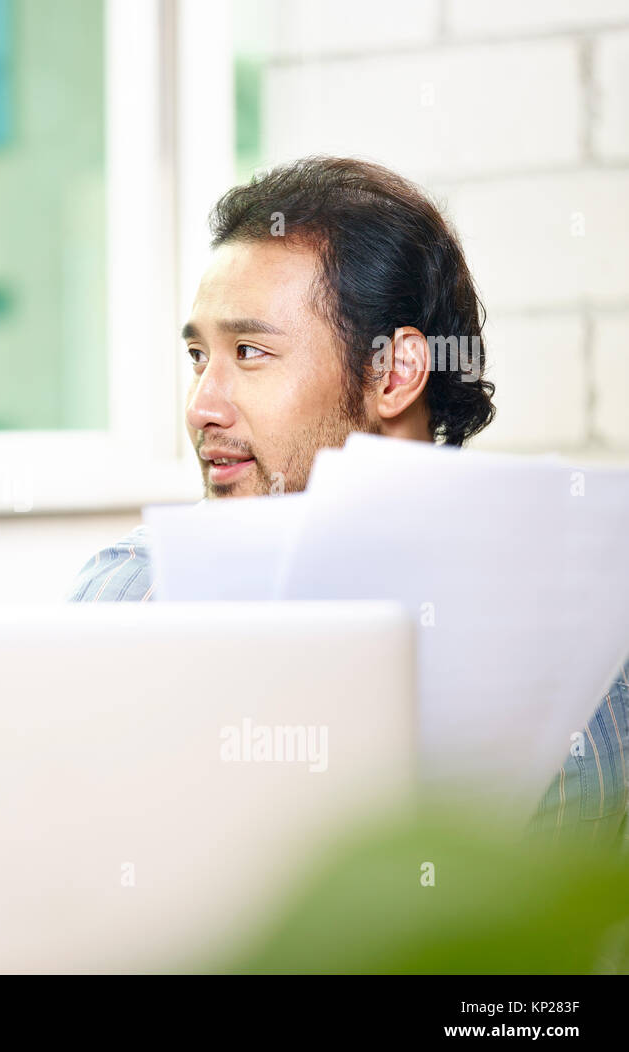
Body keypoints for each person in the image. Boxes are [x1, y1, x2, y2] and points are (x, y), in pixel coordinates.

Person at [67, 156, 629, 844]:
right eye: (197, 358)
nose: (201, 406)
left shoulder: (589, 644)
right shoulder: (131, 591)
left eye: (248, 352)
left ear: (395, 372)